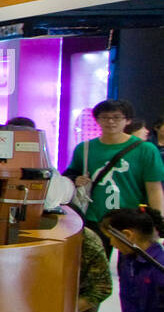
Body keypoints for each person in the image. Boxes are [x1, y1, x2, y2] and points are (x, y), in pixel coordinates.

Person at [62, 98, 164, 252]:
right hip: (94, 218)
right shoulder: (84, 149)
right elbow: (70, 175)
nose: (110, 122)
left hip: (132, 220)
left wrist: (157, 222)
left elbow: (154, 188)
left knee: (131, 269)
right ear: (97, 120)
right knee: (96, 268)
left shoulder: (146, 150)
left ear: (128, 120)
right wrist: (76, 179)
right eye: (105, 117)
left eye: (116, 117)